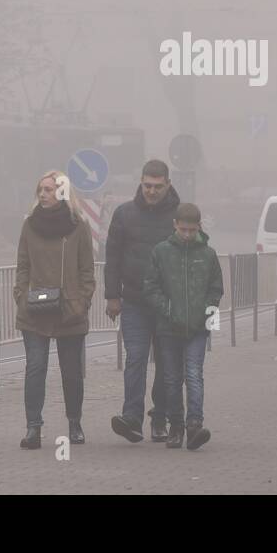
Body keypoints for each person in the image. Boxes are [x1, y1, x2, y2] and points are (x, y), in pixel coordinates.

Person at [13, 171, 96, 450]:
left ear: (62, 193)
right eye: (40, 189)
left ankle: (75, 423)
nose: (43, 194)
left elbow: (87, 269)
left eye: (49, 189)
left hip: (69, 311)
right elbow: (22, 265)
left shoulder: (78, 226)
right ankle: (33, 428)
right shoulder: (29, 225)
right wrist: (21, 296)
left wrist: (82, 300)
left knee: (71, 371)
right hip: (35, 310)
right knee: (35, 368)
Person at [105, 159, 181, 443]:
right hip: (134, 301)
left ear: (168, 185)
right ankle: (132, 417)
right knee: (135, 358)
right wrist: (112, 295)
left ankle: (159, 417)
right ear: (140, 182)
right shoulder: (124, 214)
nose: (151, 191)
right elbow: (112, 256)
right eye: (147, 185)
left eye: (157, 187)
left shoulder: (179, 215)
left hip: (167, 304)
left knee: (166, 363)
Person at [143, 202, 223, 450]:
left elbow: (216, 289)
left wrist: (206, 317)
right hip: (168, 328)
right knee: (172, 378)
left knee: (193, 375)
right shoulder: (161, 252)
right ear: (175, 225)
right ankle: (175, 425)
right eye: (183, 229)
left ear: (198, 227)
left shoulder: (208, 254)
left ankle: (194, 424)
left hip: (197, 328)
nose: (187, 235)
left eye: (191, 230)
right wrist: (168, 311)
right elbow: (151, 287)